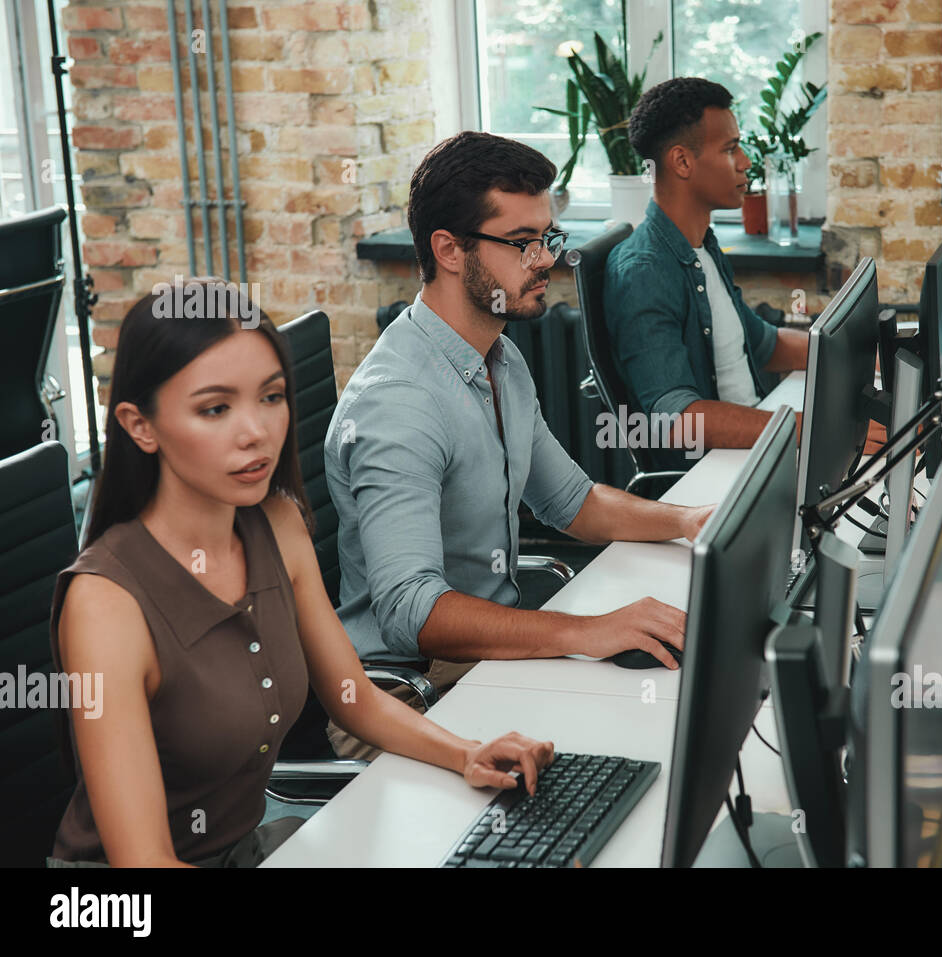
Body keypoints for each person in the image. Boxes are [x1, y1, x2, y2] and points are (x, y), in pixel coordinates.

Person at [48, 278, 554, 867]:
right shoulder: (106, 604)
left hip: (245, 848)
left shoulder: (277, 523)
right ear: (140, 426)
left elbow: (354, 698)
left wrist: (467, 752)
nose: (256, 432)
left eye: (270, 397)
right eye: (216, 408)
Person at [324, 131, 713, 727]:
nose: (546, 261)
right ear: (450, 250)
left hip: (487, 664)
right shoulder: (398, 405)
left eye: (548, 238)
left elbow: (572, 502)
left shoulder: (499, 356)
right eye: (523, 243)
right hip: (413, 696)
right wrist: (590, 630)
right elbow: (411, 613)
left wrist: (691, 523)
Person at [603, 77, 886, 469]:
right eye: (731, 149)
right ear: (682, 161)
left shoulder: (702, 244)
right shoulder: (644, 272)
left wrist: (868, 355)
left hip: (755, 451)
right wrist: (818, 427)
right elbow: (675, 420)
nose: (746, 162)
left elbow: (764, 344)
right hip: (715, 475)